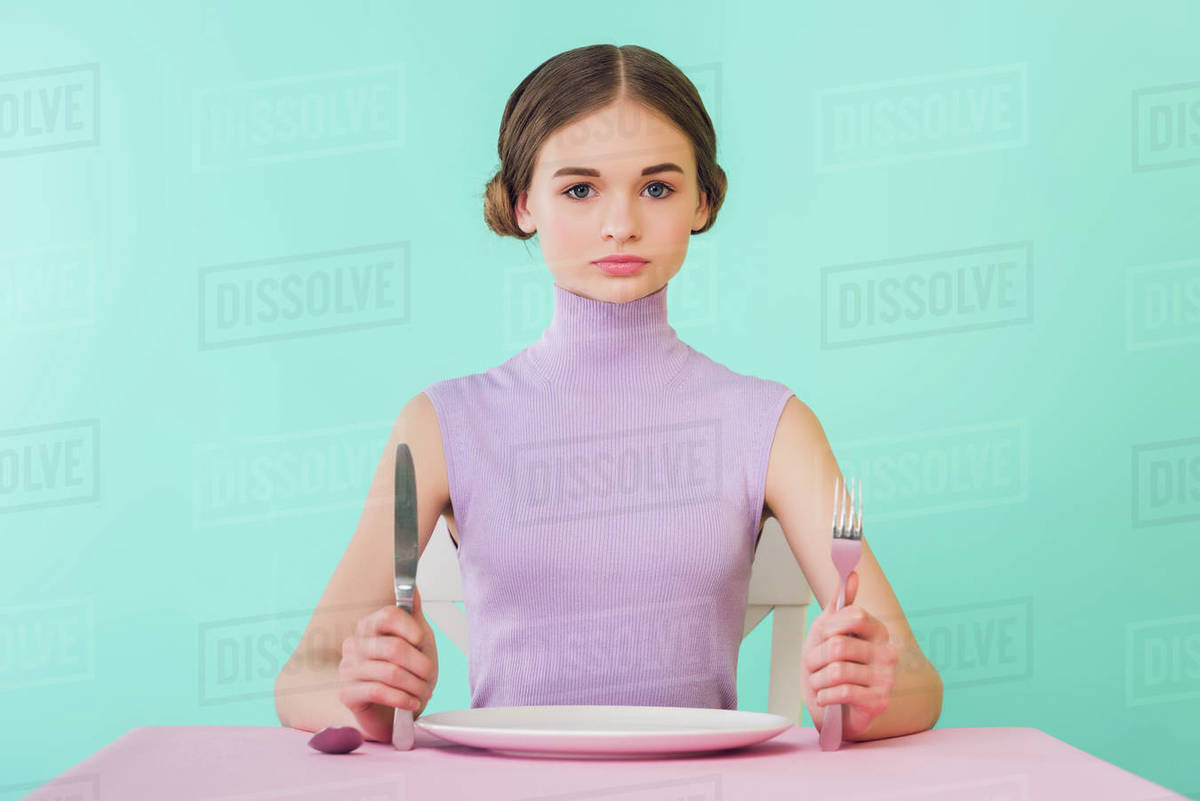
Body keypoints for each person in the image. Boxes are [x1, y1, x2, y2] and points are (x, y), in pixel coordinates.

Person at [274, 43, 942, 745]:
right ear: (523, 202)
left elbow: (916, 684)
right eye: (579, 190)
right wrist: (366, 695)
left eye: (657, 188)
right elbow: (304, 677)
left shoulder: (773, 425)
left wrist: (863, 687)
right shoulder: (440, 424)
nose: (620, 223)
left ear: (703, 201)